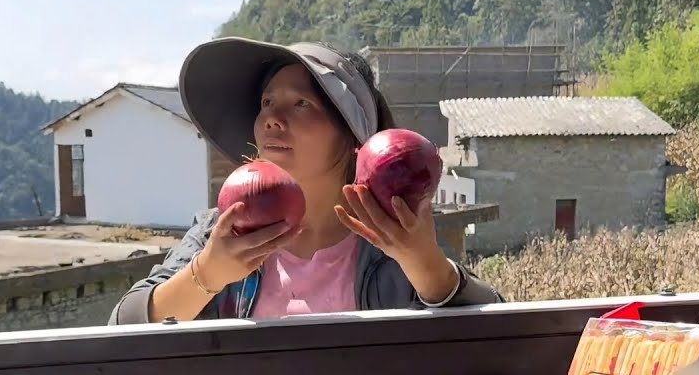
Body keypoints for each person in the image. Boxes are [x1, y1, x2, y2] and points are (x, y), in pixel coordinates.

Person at [109, 37, 502, 324]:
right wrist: (207, 275)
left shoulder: (395, 238)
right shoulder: (222, 233)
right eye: (266, 103)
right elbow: (124, 325)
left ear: (352, 136)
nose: (271, 119)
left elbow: (495, 335)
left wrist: (427, 266)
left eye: (300, 104)